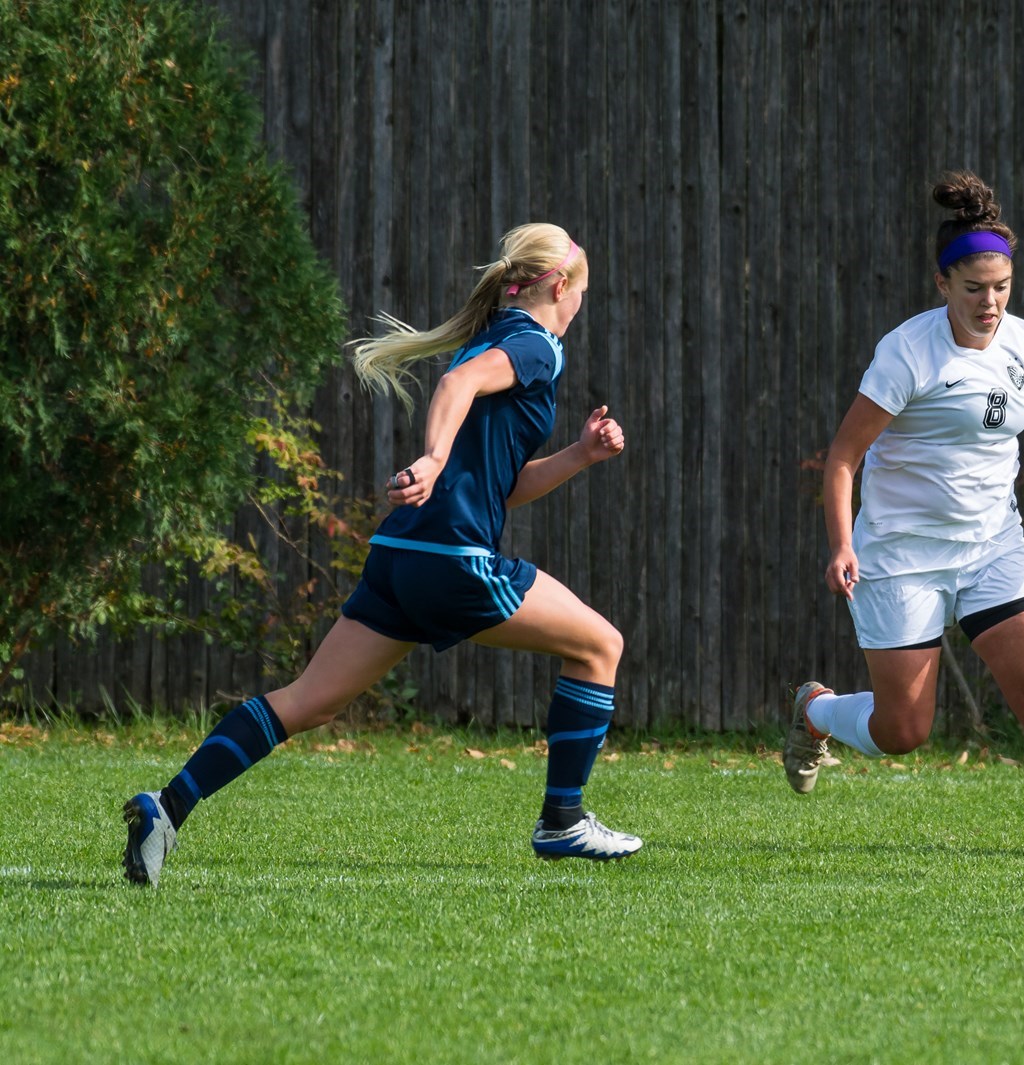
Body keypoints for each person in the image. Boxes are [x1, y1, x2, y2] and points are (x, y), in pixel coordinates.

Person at [122, 223, 642, 886]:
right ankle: (563, 820)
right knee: (600, 647)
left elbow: (501, 488)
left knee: (307, 701)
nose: (579, 308)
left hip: (401, 555)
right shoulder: (536, 345)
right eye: (583, 295)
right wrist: (433, 457)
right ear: (560, 287)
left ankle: (166, 809)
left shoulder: (498, 337)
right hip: (452, 559)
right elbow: (455, 385)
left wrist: (580, 455)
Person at [784, 171, 1024, 876]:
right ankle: (817, 711)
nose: (990, 302)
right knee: (904, 730)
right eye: (974, 288)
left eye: (1002, 287)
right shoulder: (907, 353)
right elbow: (844, 457)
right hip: (901, 555)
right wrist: (843, 543)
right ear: (942, 283)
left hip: (991, 548)